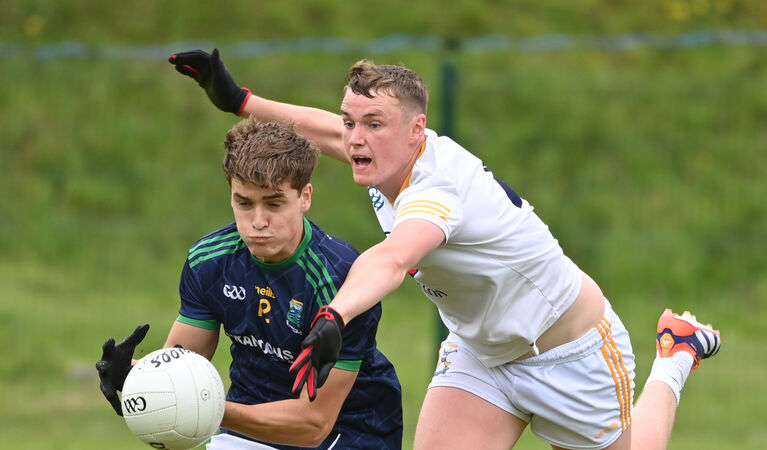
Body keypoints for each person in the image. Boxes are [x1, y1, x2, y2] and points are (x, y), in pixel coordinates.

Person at [167, 48, 721, 450]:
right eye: (352, 122)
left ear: (417, 131)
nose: (356, 138)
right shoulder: (384, 155)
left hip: (567, 355)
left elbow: (394, 257)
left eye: (374, 125)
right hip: (482, 354)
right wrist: (239, 100)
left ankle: (674, 355)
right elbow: (325, 131)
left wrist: (337, 310)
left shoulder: (437, 190)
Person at [96, 118, 403, 449]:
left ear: (305, 197)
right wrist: (136, 375)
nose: (258, 222)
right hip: (248, 421)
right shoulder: (210, 261)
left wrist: (206, 409)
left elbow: (313, 424)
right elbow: (185, 363)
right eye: (244, 203)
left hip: (349, 430)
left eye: (273, 203)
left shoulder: (343, 279)